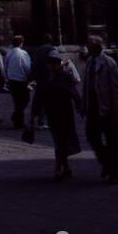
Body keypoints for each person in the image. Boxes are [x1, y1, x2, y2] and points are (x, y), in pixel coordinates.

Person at [81, 35, 118, 183]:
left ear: (98, 47)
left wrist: (116, 109)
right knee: (91, 136)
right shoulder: (90, 62)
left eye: (90, 46)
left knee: (112, 141)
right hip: (92, 107)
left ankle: (115, 173)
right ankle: (106, 160)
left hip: (106, 108)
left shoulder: (109, 63)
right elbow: (86, 85)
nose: (87, 48)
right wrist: (83, 104)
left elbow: (116, 89)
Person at [43, 50, 81, 181]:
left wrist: (80, 107)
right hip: (52, 114)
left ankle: (58, 168)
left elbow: (74, 93)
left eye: (54, 63)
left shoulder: (65, 77)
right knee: (59, 142)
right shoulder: (47, 78)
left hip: (65, 113)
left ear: (59, 64)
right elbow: (41, 96)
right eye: (50, 63)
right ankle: (66, 168)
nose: (52, 66)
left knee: (61, 142)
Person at [4, 35, 32, 129]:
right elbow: (27, 66)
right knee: (25, 99)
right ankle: (17, 117)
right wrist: (29, 76)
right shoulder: (23, 53)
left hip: (12, 79)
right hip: (21, 79)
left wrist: (7, 77)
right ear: (21, 43)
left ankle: (18, 120)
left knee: (16, 100)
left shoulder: (9, 53)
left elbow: (5, 65)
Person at [31, 34, 55, 130]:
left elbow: (34, 64)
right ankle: (43, 121)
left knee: (38, 100)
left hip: (39, 78)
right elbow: (55, 63)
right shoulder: (52, 49)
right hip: (48, 78)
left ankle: (32, 120)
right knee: (47, 101)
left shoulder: (37, 50)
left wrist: (33, 76)